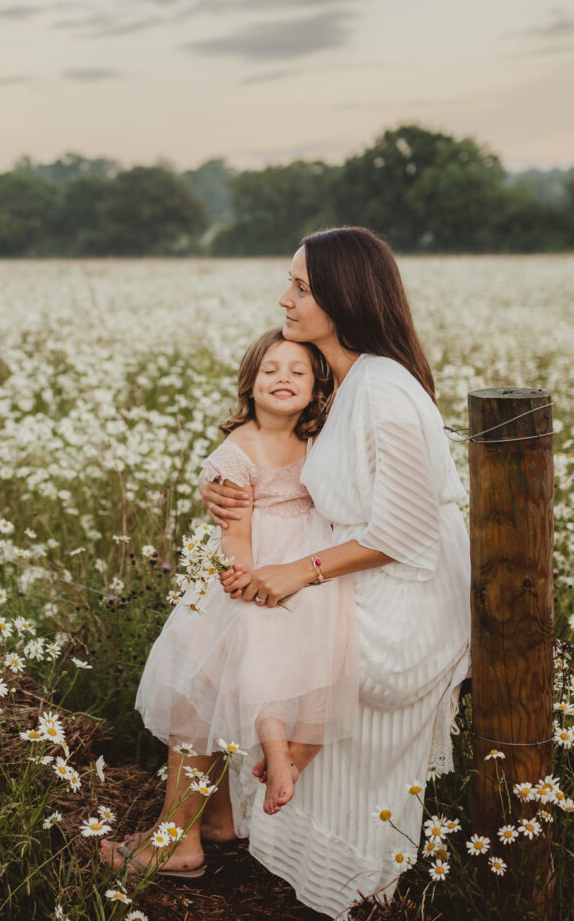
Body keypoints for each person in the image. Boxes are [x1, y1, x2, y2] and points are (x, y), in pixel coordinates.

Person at [203, 227, 471, 917]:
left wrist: (298, 572)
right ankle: (236, 809)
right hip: (371, 576)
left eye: (300, 285)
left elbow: (406, 528)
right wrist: (230, 492)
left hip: (405, 608)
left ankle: (339, 882)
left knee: (245, 614)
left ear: (343, 296)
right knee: (221, 604)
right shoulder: (344, 382)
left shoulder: (381, 388)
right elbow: (306, 474)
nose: (285, 297)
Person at [100, 327, 359, 875]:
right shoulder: (236, 450)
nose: (283, 378)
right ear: (249, 384)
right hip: (253, 575)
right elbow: (234, 534)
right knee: (197, 680)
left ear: (318, 388)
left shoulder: (321, 439)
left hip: (304, 578)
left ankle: (211, 823)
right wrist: (241, 577)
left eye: (297, 371)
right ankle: (190, 830)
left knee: (220, 679)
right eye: (270, 370)